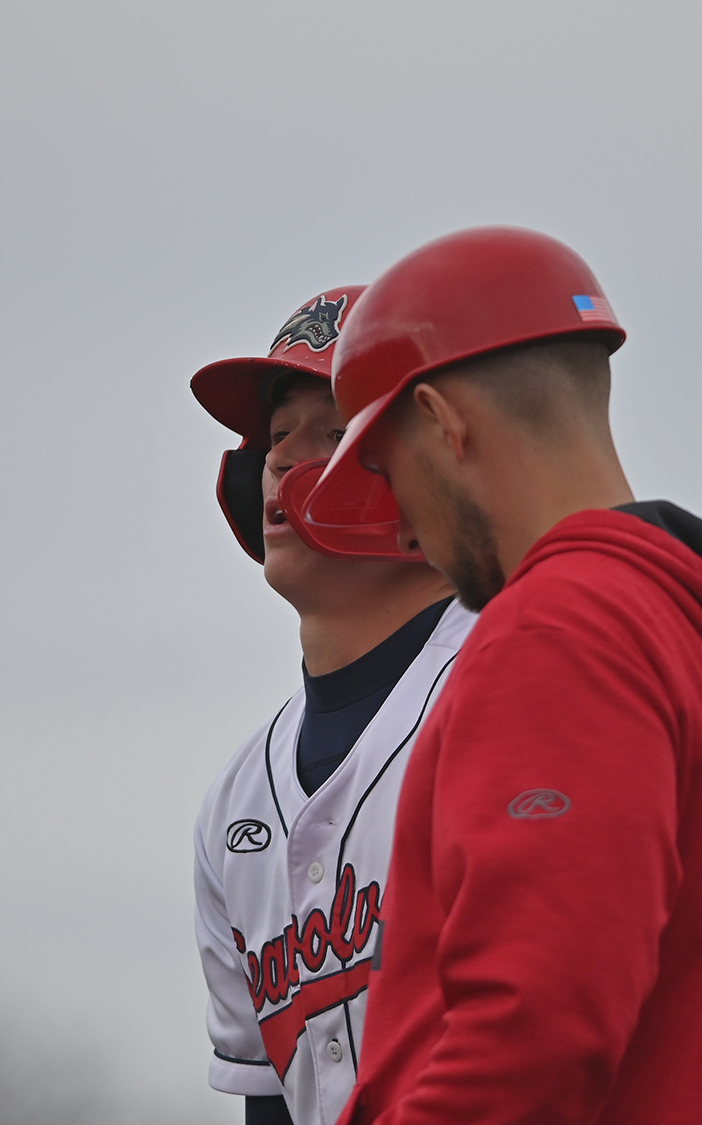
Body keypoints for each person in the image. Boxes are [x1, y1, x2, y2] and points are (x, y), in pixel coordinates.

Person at [298, 228, 702, 1125]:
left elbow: (535, 1023)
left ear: (441, 421)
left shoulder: (555, 634)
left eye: (388, 471)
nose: (399, 532)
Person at [189, 286, 477, 1125]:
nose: (285, 461)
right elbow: (272, 1101)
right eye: (276, 438)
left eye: (334, 432)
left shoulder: (505, 689)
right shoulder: (234, 805)